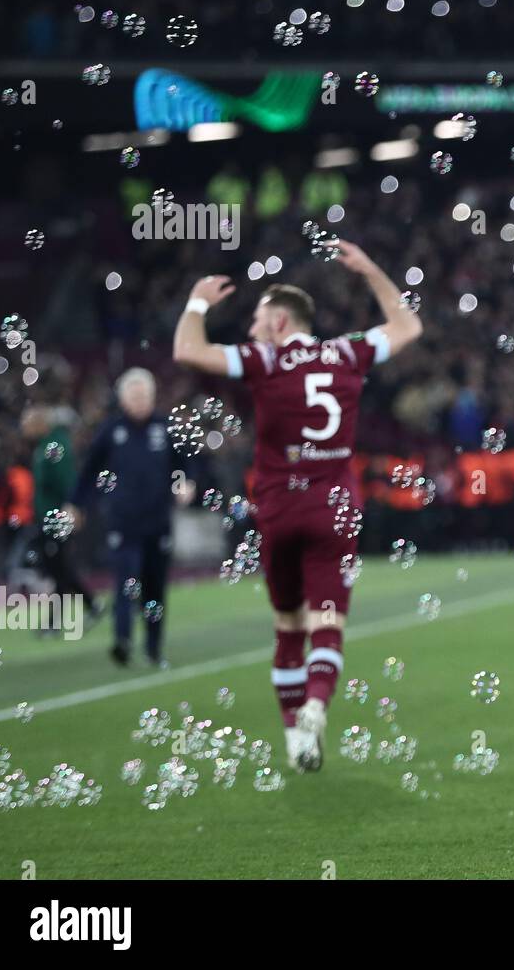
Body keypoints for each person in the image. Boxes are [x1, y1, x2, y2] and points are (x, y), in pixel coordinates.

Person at [172, 239, 422, 772]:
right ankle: (316, 704)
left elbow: (188, 351)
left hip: (280, 507)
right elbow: (407, 327)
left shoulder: (266, 359)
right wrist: (372, 268)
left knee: (288, 624)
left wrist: (196, 303)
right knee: (327, 619)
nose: (252, 331)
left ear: (281, 322)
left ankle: (294, 738)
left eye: (259, 321)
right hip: (334, 505)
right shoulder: (349, 351)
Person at [66, 368, 194, 668]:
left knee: (155, 588)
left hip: (158, 521)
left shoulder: (165, 427)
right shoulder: (111, 430)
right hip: (123, 522)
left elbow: (186, 462)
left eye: (144, 395)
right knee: (125, 583)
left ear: (152, 397)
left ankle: (153, 646)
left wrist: (187, 482)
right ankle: (122, 641)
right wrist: (75, 504)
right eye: (134, 396)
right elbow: (88, 472)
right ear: (123, 399)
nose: (139, 401)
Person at [22, 405, 102, 633]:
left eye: (27, 423)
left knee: (59, 568)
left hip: (57, 517)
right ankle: (90, 605)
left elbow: (68, 482)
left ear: (40, 423)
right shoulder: (46, 445)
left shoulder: (53, 446)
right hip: (49, 517)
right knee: (60, 567)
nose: (23, 428)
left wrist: (73, 509)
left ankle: (56, 620)